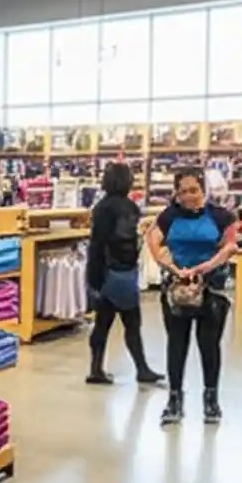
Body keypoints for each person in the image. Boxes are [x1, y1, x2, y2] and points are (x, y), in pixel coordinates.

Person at [146, 167, 238, 426]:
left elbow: (231, 245)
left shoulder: (222, 216)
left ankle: (211, 399)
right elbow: (152, 240)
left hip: (212, 288)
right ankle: (174, 399)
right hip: (176, 287)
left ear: (203, 190)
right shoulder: (168, 216)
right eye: (183, 191)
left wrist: (205, 268)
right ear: (176, 193)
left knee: (209, 346)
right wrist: (172, 268)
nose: (189, 196)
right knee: (176, 344)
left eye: (194, 190)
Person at [85, 163, 163, 385]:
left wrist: (93, 277)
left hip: (106, 272)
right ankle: (141, 368)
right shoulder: (131, 208)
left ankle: (96, 368)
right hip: (125, 272)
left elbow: (97, 245)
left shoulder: (101, 209)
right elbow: (129, 241)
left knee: (103, 323)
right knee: (132, 323)